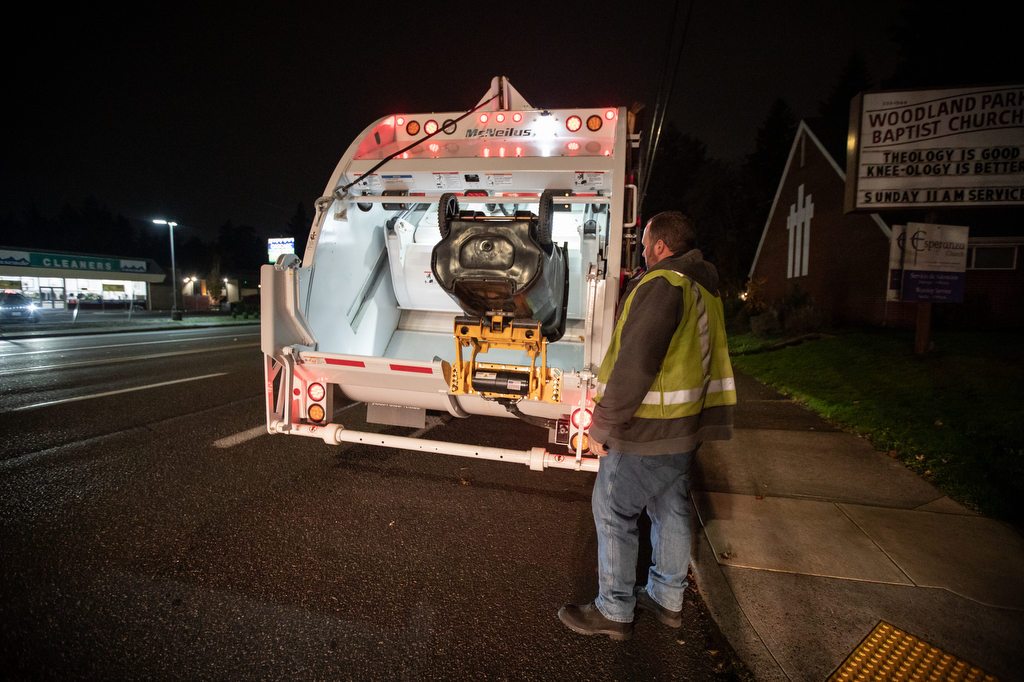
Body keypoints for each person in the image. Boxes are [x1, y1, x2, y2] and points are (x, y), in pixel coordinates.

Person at [558, 210, 737, 641]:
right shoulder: (704, 289)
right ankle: (666, 597)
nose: (641, 252)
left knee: (613, 508)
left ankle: (614, 610)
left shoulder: (663, 283)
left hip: (648, 430)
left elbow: (636, 363)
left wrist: (601, 426)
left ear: (660, 245)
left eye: (643, 244)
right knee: (670, 506)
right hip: (686, 428)